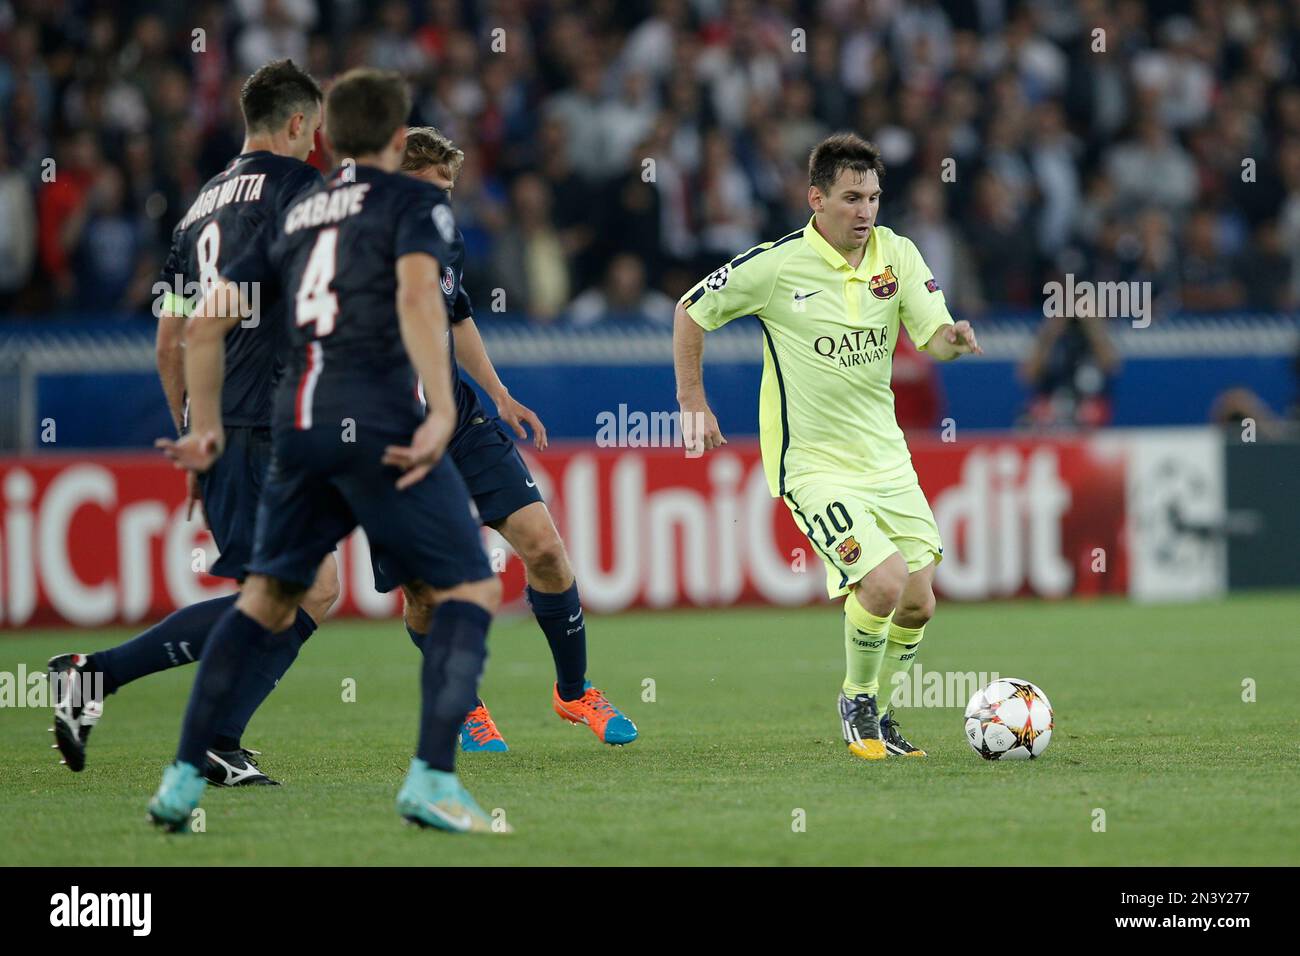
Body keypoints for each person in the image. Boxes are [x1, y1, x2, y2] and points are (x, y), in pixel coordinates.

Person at [149, 68, 505, 834]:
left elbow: (203, 325)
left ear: (330, 135)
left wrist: (202, 425)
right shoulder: (416, 203)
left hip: (298, 428)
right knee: (471, 590)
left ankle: (181, 780)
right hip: (378, 426)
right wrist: (442, 409)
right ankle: (431, 780)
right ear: (397, 137)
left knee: (266, 598)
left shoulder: (301, 215)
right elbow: (418, 299)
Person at [48, 59, 337, 787]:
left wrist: (197, 430)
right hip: (271, 415)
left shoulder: (196, 207)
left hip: (227, 421)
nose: (318, 142)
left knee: (307, 588)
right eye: (316, 127)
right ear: (299, 122)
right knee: (280, 594)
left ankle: (211, 735)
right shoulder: (301, 189)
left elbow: (168, 339)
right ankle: (104, 678)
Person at [673, 132, 981, 760]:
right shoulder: (777, 265)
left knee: (919, 602)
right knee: (884, 584)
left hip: (888, 461)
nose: (866, 211)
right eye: (851, 198)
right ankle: (857, 700)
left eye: (873, 197)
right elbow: (690, 309)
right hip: (813, 466)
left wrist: (954, 338)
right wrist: (692, 401)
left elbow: (933, 338)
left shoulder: (897, 254)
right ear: (816, 199)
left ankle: (883, 713)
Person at [391, 127, 637, 750]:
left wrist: (499, 394)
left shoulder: (443, 242)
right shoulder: (353, 247)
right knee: (423, 592)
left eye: (449, 189)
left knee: (546, 548)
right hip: (389, 436)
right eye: (432, 186)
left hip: (462, 419)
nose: (443, 200)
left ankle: (575, 692)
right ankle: (464, 705)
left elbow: (458, 314)